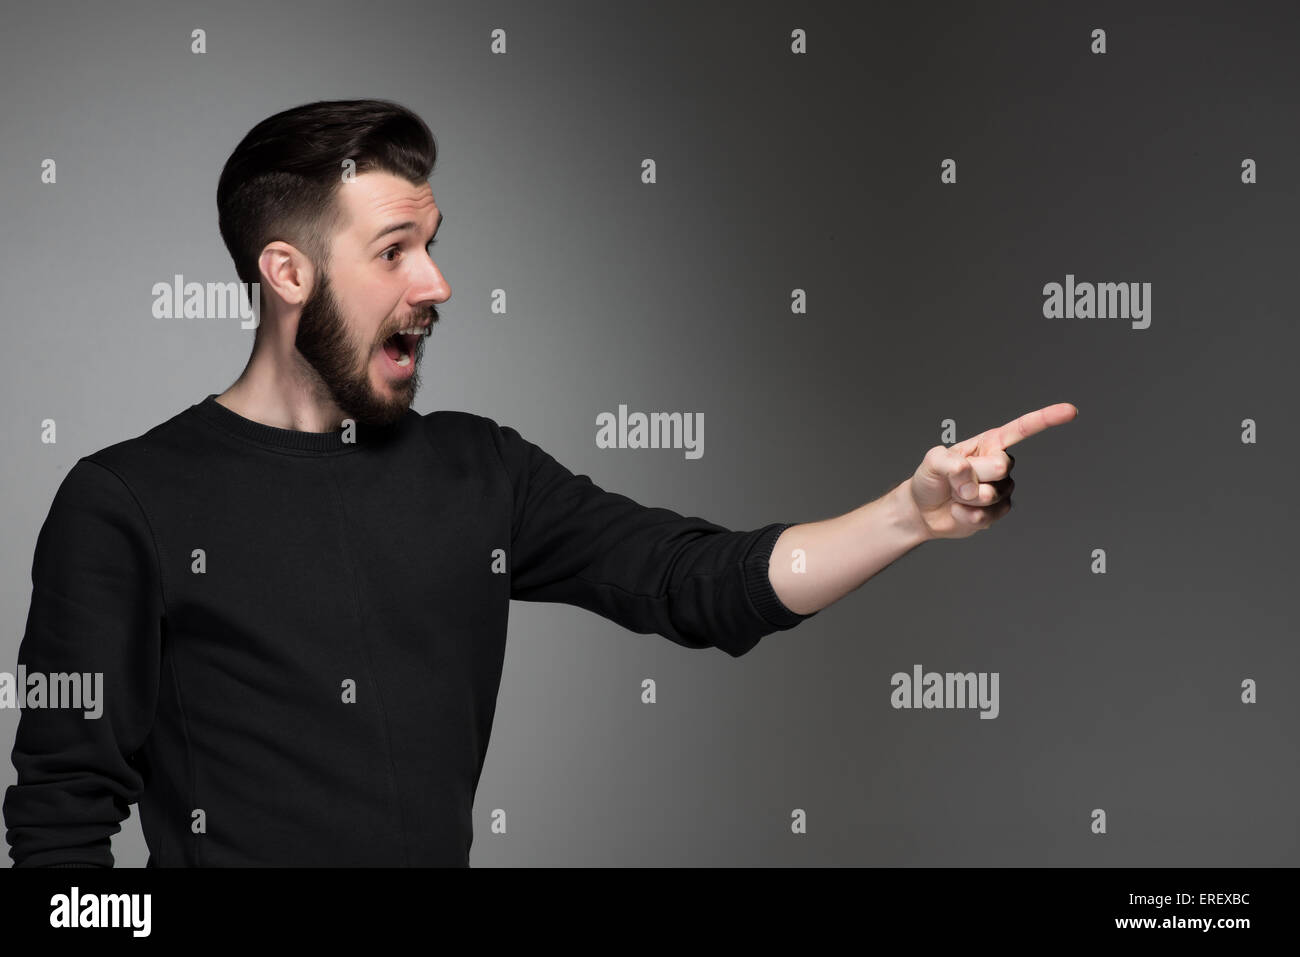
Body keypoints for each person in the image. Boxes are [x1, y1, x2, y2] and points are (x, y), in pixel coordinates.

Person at [3, 99, 1076, 867]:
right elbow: (60, 830)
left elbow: (702, 582)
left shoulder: (481, 470)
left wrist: (906, 516)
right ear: (288, 273)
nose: (437, 282)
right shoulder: (126, 503)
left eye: (433, 244)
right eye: (394, 251)